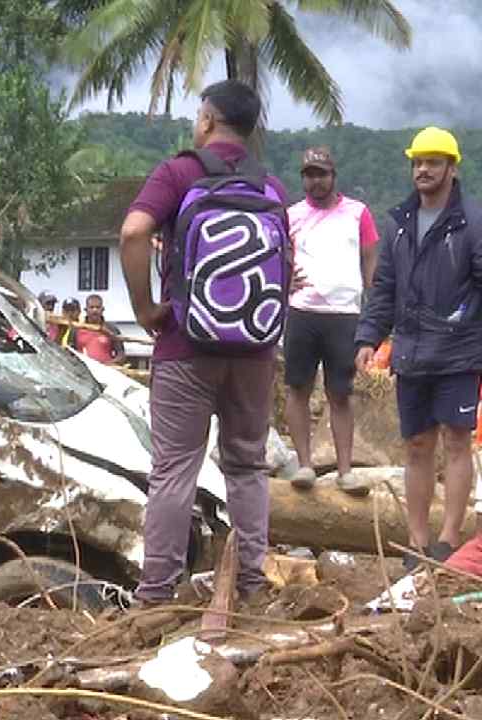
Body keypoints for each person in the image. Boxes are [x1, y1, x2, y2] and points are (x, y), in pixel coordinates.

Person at [119, 79, 287, 605]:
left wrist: (146, 308)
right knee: (247, 465)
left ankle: (156, 595)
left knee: (174, 469)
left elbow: (132, 233)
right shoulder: (273, 189)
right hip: (256, 352)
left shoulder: (179, 171)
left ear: (208, 121)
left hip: (185, 347)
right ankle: (254, 585)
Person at [354, 126, 482, 572]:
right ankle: (417, 541)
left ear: (451, 167)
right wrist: (369, 337)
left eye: (432, 162)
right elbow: (384, 286)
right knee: (416, 445)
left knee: (457, 441)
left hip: (461, 351)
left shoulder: (473, 221)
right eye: (417, 162)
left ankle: (447, 539)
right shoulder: (399, 223)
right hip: (410, 352)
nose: (422, 169)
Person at [283, 146, 379, 495]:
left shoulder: (358, 213)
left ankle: (344, 470)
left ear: (333, 176)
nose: (316, 181)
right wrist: (283, 282)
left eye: (321, 174)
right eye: (309, 174)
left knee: (340, 392)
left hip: (345, 313)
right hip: (302, 311)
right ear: (303, 179)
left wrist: (373, 301)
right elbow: (278, 255)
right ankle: (305, 465)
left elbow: (370, 258)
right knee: (298, 388)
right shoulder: (290, 214)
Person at [71, 294, 126, 365]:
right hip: (82, 371)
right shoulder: (77, 329)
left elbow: (121, 355)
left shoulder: (111, 329)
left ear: (102, 309)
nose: (95, 310)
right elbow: (70, 354)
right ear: (86, 310)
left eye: (97, 307)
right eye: (91, 307)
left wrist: (107, 365)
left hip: (105, 372)